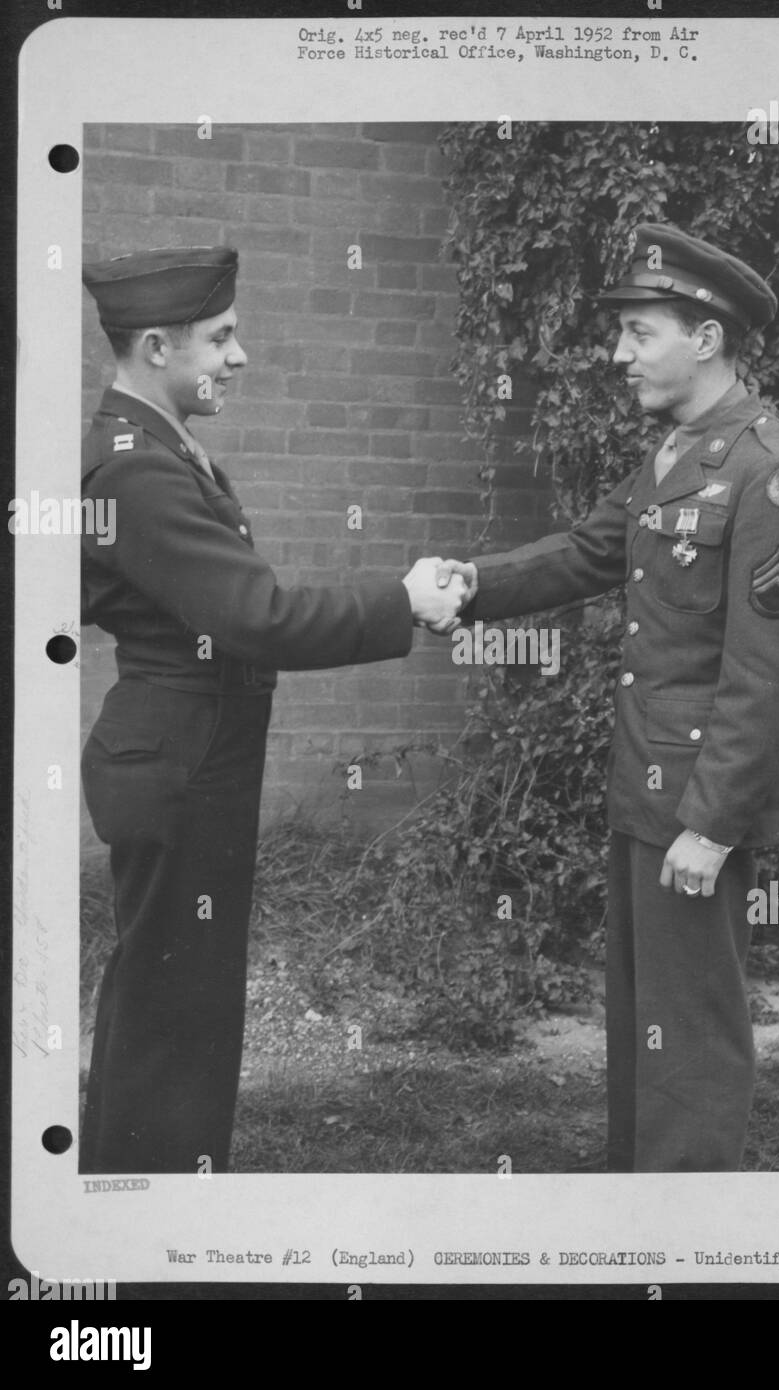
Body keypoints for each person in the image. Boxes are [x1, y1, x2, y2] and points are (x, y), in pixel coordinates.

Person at [433, 224, 779, 1172]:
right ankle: (639, 1217)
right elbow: (583, 551)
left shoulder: (767, 473)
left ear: (705, 337)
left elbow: (774, 673)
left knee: (688, 1031)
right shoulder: (676, 458)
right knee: (644, 1017)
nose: (618, 355)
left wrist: (714, 822)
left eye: (638, 333)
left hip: (697, 805)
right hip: (645, 790)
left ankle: (686, 1238)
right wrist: (471, 582)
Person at [79, 245, 467, 1173]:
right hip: (178, 764)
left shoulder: (161, 449)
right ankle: (150, 1217)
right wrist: (401, 600)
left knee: (177, 1000)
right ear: (159, 347)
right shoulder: (139, 470)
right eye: (221, 338)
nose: (239, 356)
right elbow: (257, 616)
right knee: (174, 1007)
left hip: (185, 756)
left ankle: (147, 1198)